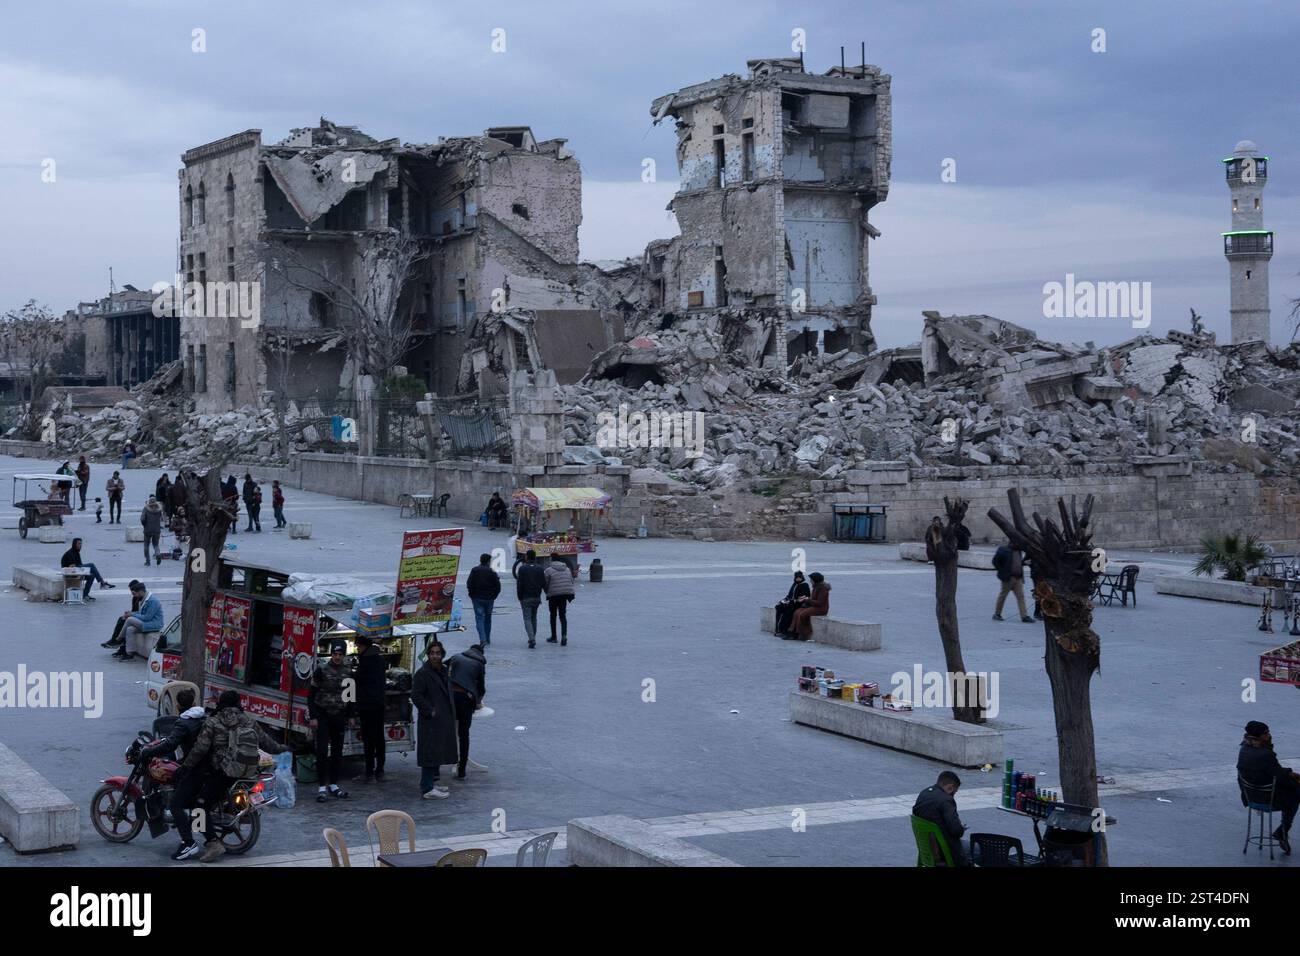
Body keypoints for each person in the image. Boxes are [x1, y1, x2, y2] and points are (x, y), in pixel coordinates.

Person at [175, 689, 286, 863]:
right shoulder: (249, 721)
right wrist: (285, 748)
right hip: (246, 771)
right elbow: (268, 744)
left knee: (199, 805)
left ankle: (212, 843)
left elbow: (200, 749)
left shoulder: (213, 721)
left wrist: (185, 767)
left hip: (222, 772)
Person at [1239, 720, 1300, 855]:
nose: (1269, 735)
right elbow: (1279, 776)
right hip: (1268, 798)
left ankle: (1282, 832)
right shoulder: (1266, 754)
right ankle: (1282, 831)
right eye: (1266, 733)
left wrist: (1288, 773)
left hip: (1251, 796)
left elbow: (1271, 771)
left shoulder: (1244, 749)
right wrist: (1293, 779)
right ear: (1260, 736)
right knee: (1296, 794)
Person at [411, 639, 458, 798]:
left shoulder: (443, 670)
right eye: (432, 653)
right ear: (428, 655)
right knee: (429, 753)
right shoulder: (423, 674)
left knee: (437, 751)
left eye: (437, 653)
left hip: (442, 719)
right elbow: (416, 696)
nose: (435, 656)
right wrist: (430, 711)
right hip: (431, 721)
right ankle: (427, 787)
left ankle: (432, 782)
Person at [308, 640, 351, 802]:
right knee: (321, 752)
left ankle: (333, 784)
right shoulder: (321, 670)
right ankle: (321, 787)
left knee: (337, 752)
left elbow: (350, 696)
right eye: (335, 654)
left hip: (339, 715)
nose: (337, 657)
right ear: (331, 654)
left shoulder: (348, 672)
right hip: (323, 714)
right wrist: (313, 716)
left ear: (344, 656)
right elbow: (311, 695)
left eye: (340, 655)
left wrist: (351, 716)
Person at [447, 643, 487, 780]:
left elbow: (443, 668)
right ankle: (462, 768)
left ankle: (438, 765)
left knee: (446, 731)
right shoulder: (479, 664)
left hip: (450, 698)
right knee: (464, 735)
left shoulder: (456, 657)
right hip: (465, 700)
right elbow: (481, 688)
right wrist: (477, 702)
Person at [913, 771, 969, 866]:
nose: (953, 795)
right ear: (950, 787)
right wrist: (961, 827)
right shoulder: (946, 800)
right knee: (978, 848)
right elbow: (956, 831)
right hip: (945, 850)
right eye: (954, 792)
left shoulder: (924, 794)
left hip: (927, 848)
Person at [353, 633, 387, 784]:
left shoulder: (365, 661)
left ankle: (369, 773)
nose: (357, 649)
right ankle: (380, 770)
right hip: (379, 703)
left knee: (368, 739)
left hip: (367, 705)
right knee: (379, 737)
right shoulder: (380, 659)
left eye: (359, 646)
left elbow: (358, 681)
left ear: (364, 646)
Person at [113, 580, 165, 660]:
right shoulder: (144, 599)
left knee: (130, 619)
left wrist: (131, 615)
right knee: (130, 629)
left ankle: (119, 638)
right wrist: (131, 613)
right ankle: (129, 653)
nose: (134, 596)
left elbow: (147, 617)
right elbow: (141, 613)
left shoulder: (153, 601)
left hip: (154, 625)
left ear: (140, 592)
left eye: (134, 594)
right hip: (147, 623)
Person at [992, 538, 1033, 623]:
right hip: (1008, 578)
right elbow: (995, 562)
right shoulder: (1003, 550)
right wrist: (1002, 572)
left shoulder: (1018, 551)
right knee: (1003, 596)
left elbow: (1017, 563)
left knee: (1021, 597)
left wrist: (1024, 563)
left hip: (1018, 578)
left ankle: (1024, 616)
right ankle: (997, 614)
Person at [466, 553, 501, 648]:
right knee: (488, 619)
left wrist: (471, 594)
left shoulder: (475, 570)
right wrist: (494, 596)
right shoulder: (492, 572)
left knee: (479, 618)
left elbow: (469, 583)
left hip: (477, 598)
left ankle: (483, 639)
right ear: (489, 561)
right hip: (489, 599)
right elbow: (498, 586)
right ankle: (487, 638)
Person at [516, 549, 546, 649]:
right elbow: (543, 583)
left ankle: (531, 638)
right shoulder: (540, 568)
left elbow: (519, 584)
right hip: (537, 597)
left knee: (527, 618)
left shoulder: (522, 569)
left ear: (527, 557)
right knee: (534, 617)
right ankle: (533, 637)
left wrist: (519, 596)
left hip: (526, 597)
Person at [543, 554, 576, 646]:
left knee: (553, 615)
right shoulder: (567, 569)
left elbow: (545, 584)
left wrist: (547, 592)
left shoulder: (548, 570)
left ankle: (554, 637)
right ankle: (564, 635)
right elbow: (571, 581)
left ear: (551, 560)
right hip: (565, 595)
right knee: (563, 616)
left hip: (553, 595)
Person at [789, 572, 830, 641]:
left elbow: (820, 603)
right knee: (797, 612)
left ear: (815, 580)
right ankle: (793, 632)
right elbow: (813, 600)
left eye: (811, 580)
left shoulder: (822, 589)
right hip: (815, 607)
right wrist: (806, 600)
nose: (810, 581)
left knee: (803, 614)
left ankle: (805, 633)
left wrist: (807, 600)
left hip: (821, 609)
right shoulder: (815, 587)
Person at [102, 581, 143, 650]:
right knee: (121, 619)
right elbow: (134, 610)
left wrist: (131, 614)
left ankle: (117, 642)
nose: (131, 593)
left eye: (132, 591)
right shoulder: (135, 598)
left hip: (141, 619)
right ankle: (114, 640)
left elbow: (142, 613)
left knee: (125, 623)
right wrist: (129, 613)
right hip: (136, 616)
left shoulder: (142, 598)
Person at [774, 571, 811, 636]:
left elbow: (805, 596)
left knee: (788, 611)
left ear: (802, 577)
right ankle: (778, 629)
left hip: (798, 604)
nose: (798, 579)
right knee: (779, 607)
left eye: (799, 577)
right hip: (791, 602)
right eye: (797, 577)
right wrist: (782, 601)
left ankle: (784, 630)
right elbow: (789, 595)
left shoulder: (805, 585)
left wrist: (794, 601)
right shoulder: (794, 584)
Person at [141, 495, 165, 566]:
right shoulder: (159, 509)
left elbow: (142, 519)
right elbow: (162, 519)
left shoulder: (146, 509)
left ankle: (148, 561)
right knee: (156, 544)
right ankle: (158, 554)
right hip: (157, 530)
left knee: (146, 545)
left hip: (147, 530)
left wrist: (144, 524)